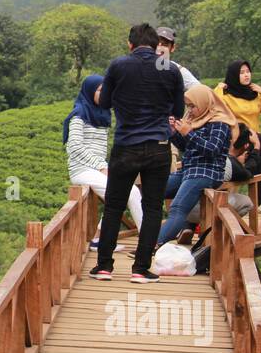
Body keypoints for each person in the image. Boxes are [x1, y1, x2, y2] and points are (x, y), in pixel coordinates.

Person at [91, 23, 185, 284]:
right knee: (153, 207)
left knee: (113, 206)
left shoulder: (119, 65)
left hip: (126, 146)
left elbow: (106, 102)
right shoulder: (169, 68)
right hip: (158, 147)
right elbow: (177, 110)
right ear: (157, 46)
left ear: (130, 44)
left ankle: (104, 267)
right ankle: (141, 269)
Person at [63, 74, 142, 252]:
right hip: (82, 169)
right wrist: (101, 166)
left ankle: (99, 239)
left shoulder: (103, 113)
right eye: (100, 90)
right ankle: (149, 240)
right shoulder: (78, 115)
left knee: (123, 195)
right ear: (90, 91)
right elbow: (74, 147)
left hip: (97, 167)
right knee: (127, 192)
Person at [157, 85, 237, 247]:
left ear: (204, 102)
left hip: (207, 171)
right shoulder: (193, 121)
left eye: (193, 106)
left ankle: (153, 244)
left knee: (178, 208)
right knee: (153, 191)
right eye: (188, 106)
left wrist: (188, 133)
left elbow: (212, 150)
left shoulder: (219, 123)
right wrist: (174, 132)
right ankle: (150, 234)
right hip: (188, 170)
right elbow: (186, 147)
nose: (190, 110)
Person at [215, 60, 261, 210]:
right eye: (242, 72)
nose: (246, 75)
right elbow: (214, 105)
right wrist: (219, 88)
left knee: (258, 152)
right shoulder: (226, 94)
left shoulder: (255, 94)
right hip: (235, 137)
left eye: (248, 71)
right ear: (234, 75)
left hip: (253, 138)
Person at [154, 27, 199, 93]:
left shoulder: (179, 71)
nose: (159, 48)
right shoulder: (141, 67)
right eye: (156, 44)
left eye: (165, 45)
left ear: (172, 48)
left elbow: (200, 91)